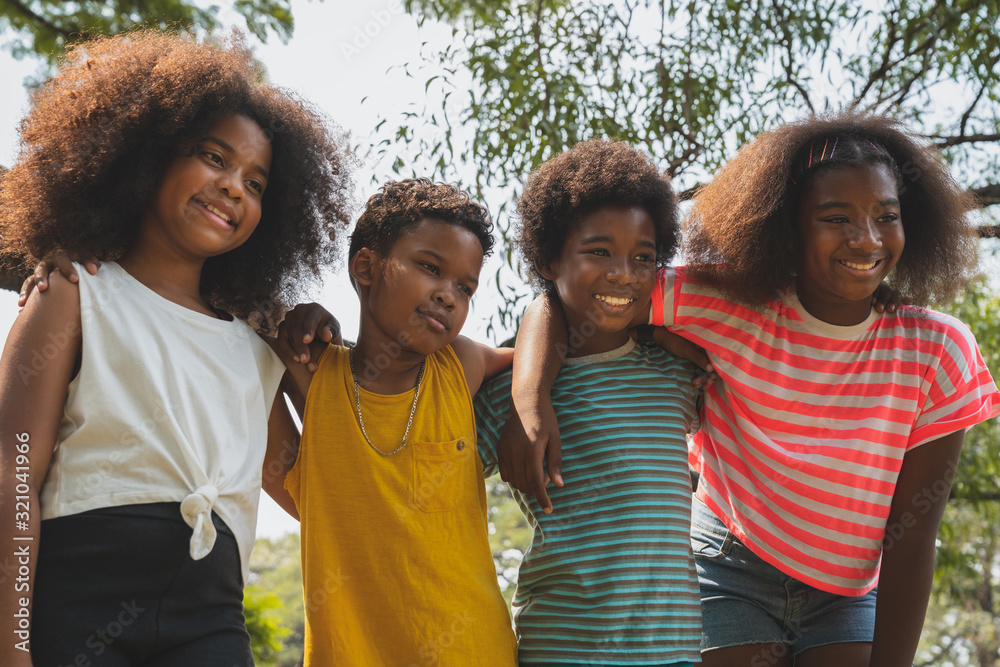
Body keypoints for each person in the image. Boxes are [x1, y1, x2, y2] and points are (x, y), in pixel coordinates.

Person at [503, 112, 1000, 666]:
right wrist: (530, 398)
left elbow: (912, 538)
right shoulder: (724, 301)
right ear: (789, 226)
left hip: (848, 591)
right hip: (725, 567)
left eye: (887, 215)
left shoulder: (937, 351)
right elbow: (569, 299)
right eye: (837, 217)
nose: (866, 238)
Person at [0, 31, 352, 665]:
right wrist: (12, 648)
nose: (233, 187)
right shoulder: (74, 294)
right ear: (147, 154)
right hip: (78, 603)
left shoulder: (252, 343)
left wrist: (302, 359)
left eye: (256, 182)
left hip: (210, 620)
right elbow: (13, 477)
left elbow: (310, 495)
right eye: (213, 156)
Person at [266, 178, 518, 666]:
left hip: (477, 651)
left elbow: (545, 353)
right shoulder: (311, 371)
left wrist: (535, 404)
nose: (449, 296)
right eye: (430, 268)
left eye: (465, 288)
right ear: (366, 266)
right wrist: (292, 318)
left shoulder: (460, 365)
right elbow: (246, 324)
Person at [473, 140, 704, 666]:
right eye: (599, 251)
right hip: (561, 648)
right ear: (552, 258)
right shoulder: (510, 392)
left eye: (643, 257)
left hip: (675, 651)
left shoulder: (676, 371)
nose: (623, 272)